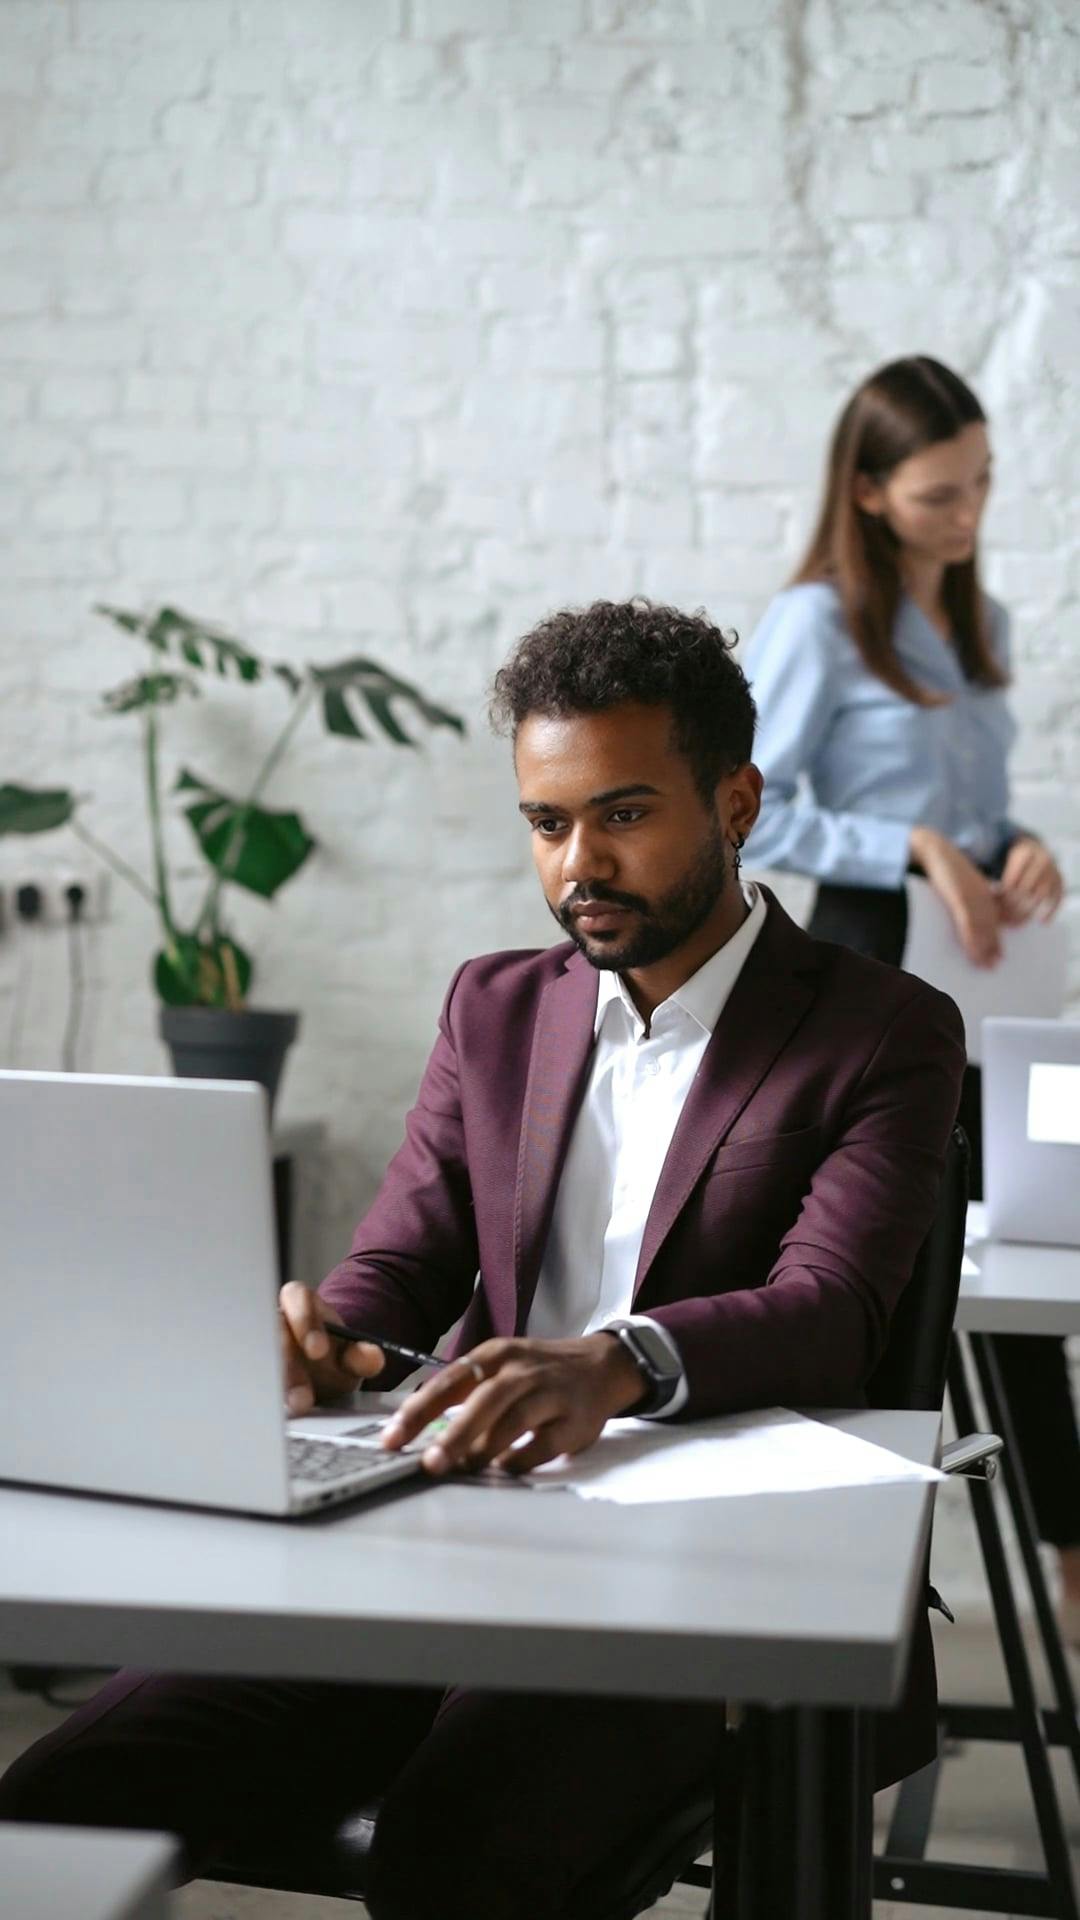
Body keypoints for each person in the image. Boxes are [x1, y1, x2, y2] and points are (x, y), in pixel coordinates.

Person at [0, 598, 965, 1920]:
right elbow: (401, 1263)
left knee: (456, 1857)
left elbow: (830, 1307)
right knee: (61, 1800)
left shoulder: (882, 1028)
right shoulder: (495, 1006)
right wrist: (327, 1338)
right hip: (447, 1529)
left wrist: (613, 1365)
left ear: (736, 803)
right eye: (547, 823)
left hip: (708, 1574)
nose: (580, 865)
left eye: (624, 814)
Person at [743, 353, 1078, 1633]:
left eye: (982, 483)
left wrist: (1015, 843)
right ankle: (843, 1587)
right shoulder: (818, 623)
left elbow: (978, 815)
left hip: (980, 967)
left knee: (1015, 1253)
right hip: (870, 963)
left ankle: (1069, 1554)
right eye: (942, 493)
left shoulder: (982, 628)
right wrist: (912, 845)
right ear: (871, 492)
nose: (970, 513)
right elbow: (750, 805)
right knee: (887, 1271)